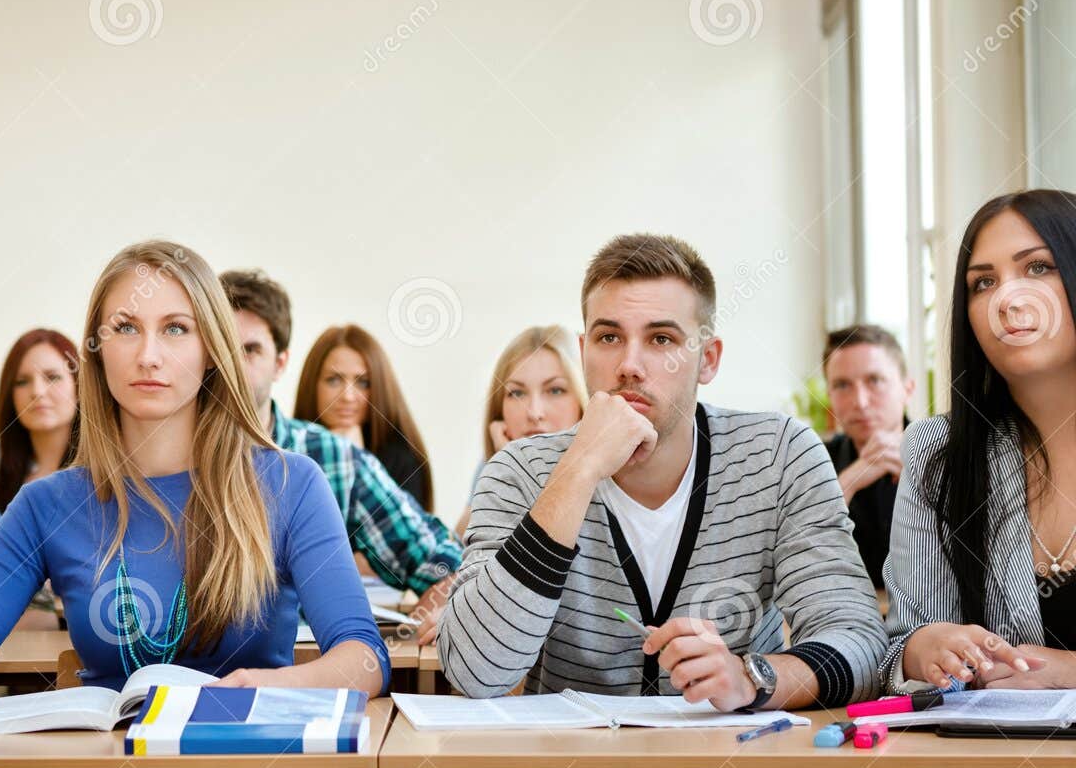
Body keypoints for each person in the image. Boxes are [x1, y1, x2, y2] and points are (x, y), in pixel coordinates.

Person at [0, 240, 389, 768]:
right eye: (126, 328)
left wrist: (267, 686)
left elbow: (364, 658)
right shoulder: (46, 504)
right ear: (97, 351)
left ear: (211, 350)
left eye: (176, 329)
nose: (149, 355)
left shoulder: (290, 484)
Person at [439, 233, 886, 710]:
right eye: (609, 338)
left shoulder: (780, 456)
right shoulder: (518, 472)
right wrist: (578, 469)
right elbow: (473, 670)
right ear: (583, 349)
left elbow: (860, 643)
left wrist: (752, 677)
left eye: (661, 339)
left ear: (707, 359)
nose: (630, 365)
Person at [880, 188, 1076, 768]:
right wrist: (923, 647)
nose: (1005, 299)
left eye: (1038, 267)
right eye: (982, 281)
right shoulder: (939, 454)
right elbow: (898, 644)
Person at [221, 269, 462, 644]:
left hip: (308, 679)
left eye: (251, 350)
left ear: (281, 362)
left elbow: (446, 563)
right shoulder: (163, 451)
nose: (233, 365)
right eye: (221, 346)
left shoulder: (335, 459)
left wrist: (440, 606)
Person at [455, 325, 587, 539]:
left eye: (555, 390)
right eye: (517, 393)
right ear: (499, 410)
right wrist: (505, 469)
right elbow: (459, 551)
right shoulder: (494, 465)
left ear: (584, 401)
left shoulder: (608, 475)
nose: (534, 412)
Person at [294, 324, 436, 510]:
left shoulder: (403, 461)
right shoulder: (288, 453)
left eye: (363, 382)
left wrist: (355, 461)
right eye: (334, 380)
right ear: (312, 385)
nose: (348, 396)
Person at [821, 324, 913, 590]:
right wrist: (849, 480)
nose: (860, 402)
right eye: (842, 385)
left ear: (907, 388)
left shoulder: (945, 455)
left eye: (875, 381)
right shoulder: (813, 463)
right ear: (829, 396)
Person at [0, 329, 79, 510]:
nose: (37, 391)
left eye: (53, 377)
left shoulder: (106, 463)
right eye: (22, 382)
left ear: (79, 387)